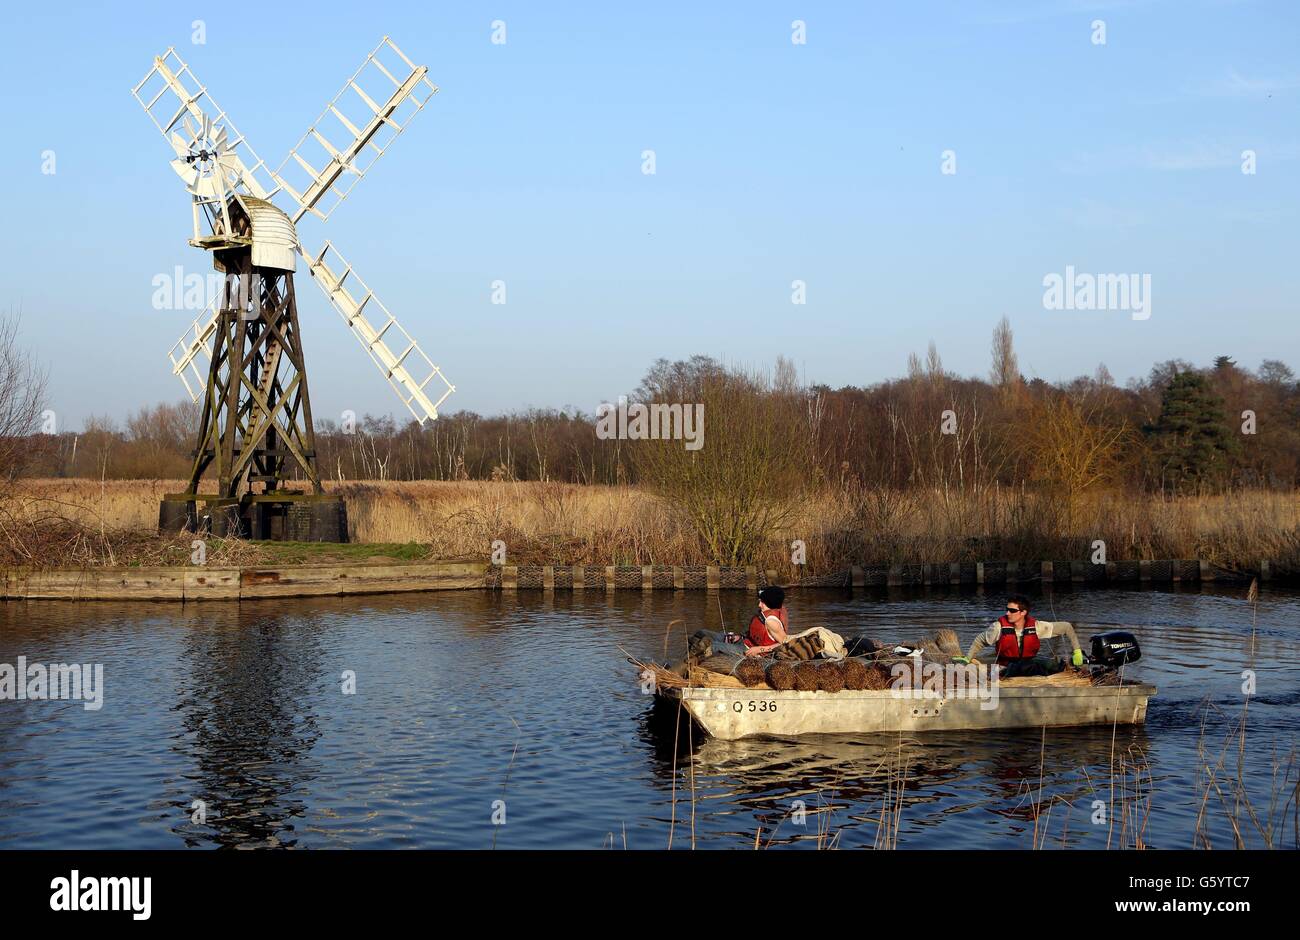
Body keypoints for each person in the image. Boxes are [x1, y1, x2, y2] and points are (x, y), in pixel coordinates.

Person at [963, 594, 1084, 677]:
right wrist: (968, 658)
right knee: (1027, 665)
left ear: (1023, 612)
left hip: (1028, 665)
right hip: (1004, 669)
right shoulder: (998, 627)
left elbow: (1067, 627)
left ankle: (1064, 668)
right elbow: (980, 640)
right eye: (1007, 609)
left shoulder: (1036, 626)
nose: (1007, 613)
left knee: (1050, 663)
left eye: (1012, 611)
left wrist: (1077, 651)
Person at [742, 586, 791, 657]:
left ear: (771, 603)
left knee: (719, 645)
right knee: (720, 636)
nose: (759, 605)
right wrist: (741, 636)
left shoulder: (771, 621)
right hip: (746, 642)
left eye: (762, 602)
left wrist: (759, 649)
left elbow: (785, 643)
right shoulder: (772, 611)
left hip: (752, 651)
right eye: (759, 601)